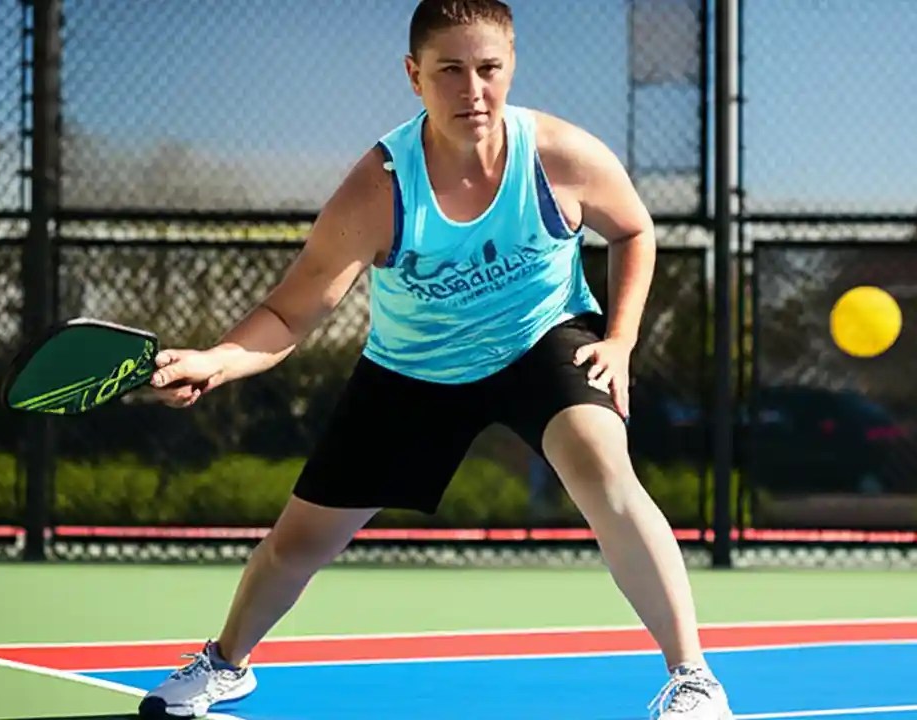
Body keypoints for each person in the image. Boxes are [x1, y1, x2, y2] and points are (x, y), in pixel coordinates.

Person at [137, 1, 732, 718]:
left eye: (488, 69)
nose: (472, 90)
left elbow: (634, 229)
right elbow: (294, 311)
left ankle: (693, 676)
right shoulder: (379, 189)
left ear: (510, 68)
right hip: (414, 366)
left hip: (540, 337)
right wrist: (221, 360)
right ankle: (226, 663)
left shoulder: (560, 156)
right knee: (297, 545)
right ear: (414, 75)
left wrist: (621, 339)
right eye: (449, 70)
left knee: (603, 467)